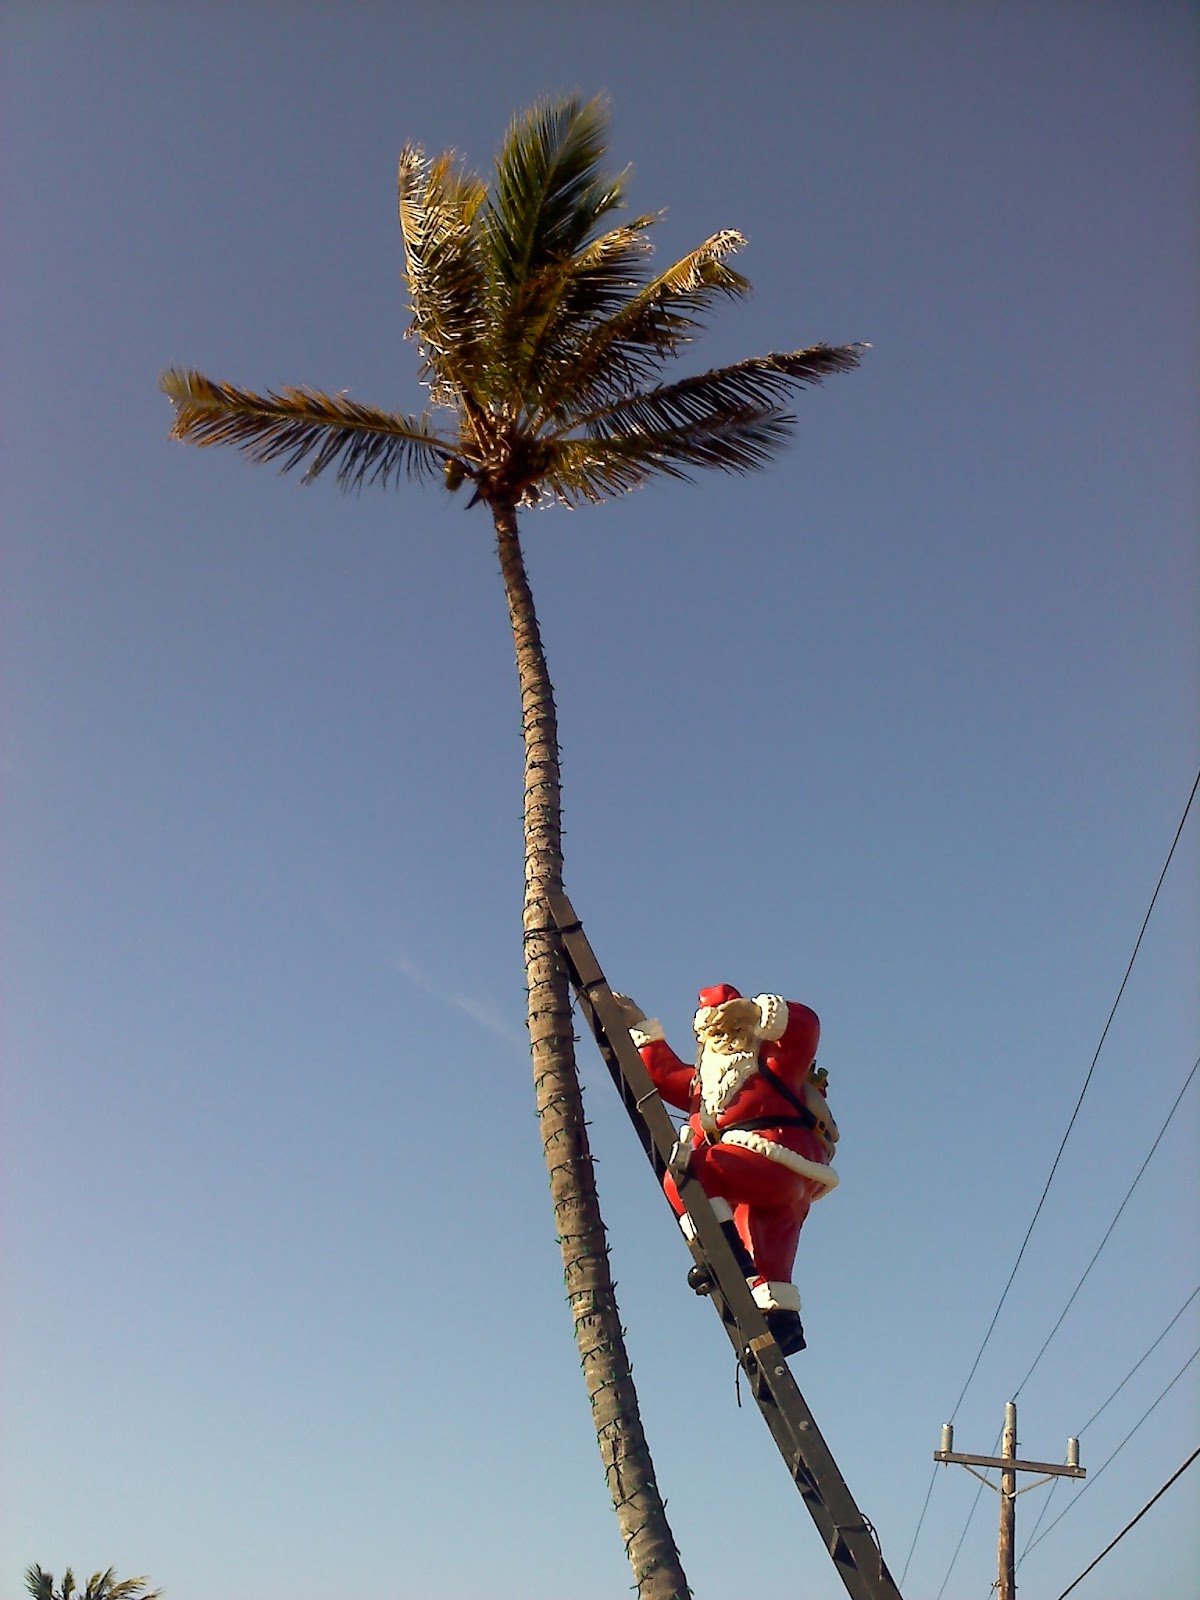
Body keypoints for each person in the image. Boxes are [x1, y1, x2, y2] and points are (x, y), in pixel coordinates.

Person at [613, 985, 838, 1355]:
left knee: (692, 1172)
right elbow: (664, 1074)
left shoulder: (775, 1063)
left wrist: (760, 1011)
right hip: (769, 1182)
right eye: (715, 1033)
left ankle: (721, 1254)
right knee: (768, 1258)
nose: (726, 1039)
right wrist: (638, 1025)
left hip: (776, 1157)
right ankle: (781, 1326)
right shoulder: (705, 1083)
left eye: (734, 1029)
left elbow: (805, 1027)